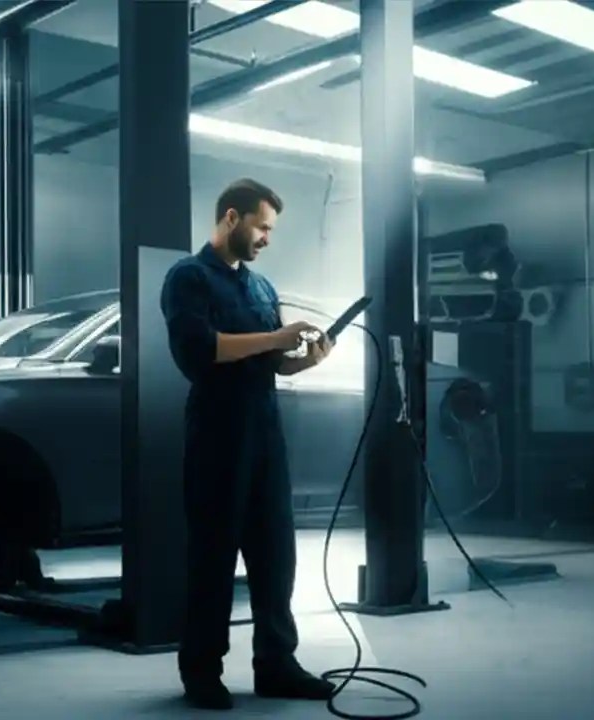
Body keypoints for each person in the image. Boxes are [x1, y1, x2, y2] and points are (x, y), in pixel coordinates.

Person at [160, 178, 337, 710]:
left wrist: (306, 358)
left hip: (265, 432)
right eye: (262, 227)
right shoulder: (188, 277)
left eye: (271, 230)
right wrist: (277, 338)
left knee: (275, 555)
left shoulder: (262, 288)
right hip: (217, 433)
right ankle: (201, 673)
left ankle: (276, 665)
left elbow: (275, 362)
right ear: (231, 218)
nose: (266, 238)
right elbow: (199, 349)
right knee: (213, 557)